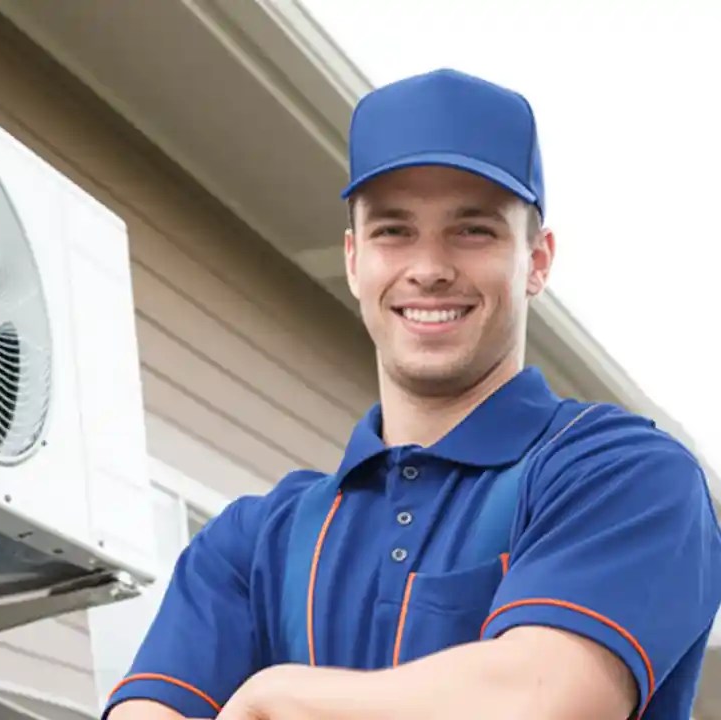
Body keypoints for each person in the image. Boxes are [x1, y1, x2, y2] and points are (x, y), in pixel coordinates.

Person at [103, 68, 721, 720]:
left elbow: (541, 702)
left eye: (473, 230)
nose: (428, 269)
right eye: (393, 231)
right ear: (353, 260)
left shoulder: (625, 478)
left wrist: (272, 699)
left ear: (537, 261)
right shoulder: (254, 545)